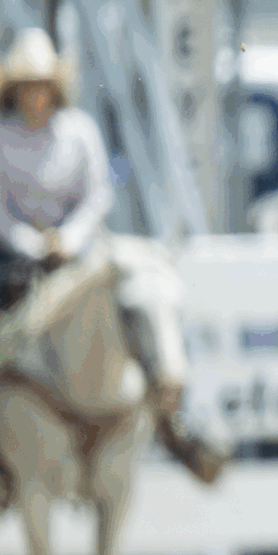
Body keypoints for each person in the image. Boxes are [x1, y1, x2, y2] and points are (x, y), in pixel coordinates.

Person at [0, 28, 225, 485]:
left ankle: (180, 424)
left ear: (54, 88)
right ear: (16, 90)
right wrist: (32, 243)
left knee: (144, 304)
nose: (35, 95)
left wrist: (70, 238)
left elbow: (98, 194)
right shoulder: (3, 138)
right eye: (27, 86)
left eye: (41, 85)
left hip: (80, 251)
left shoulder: (78, 132)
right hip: (17, 260)